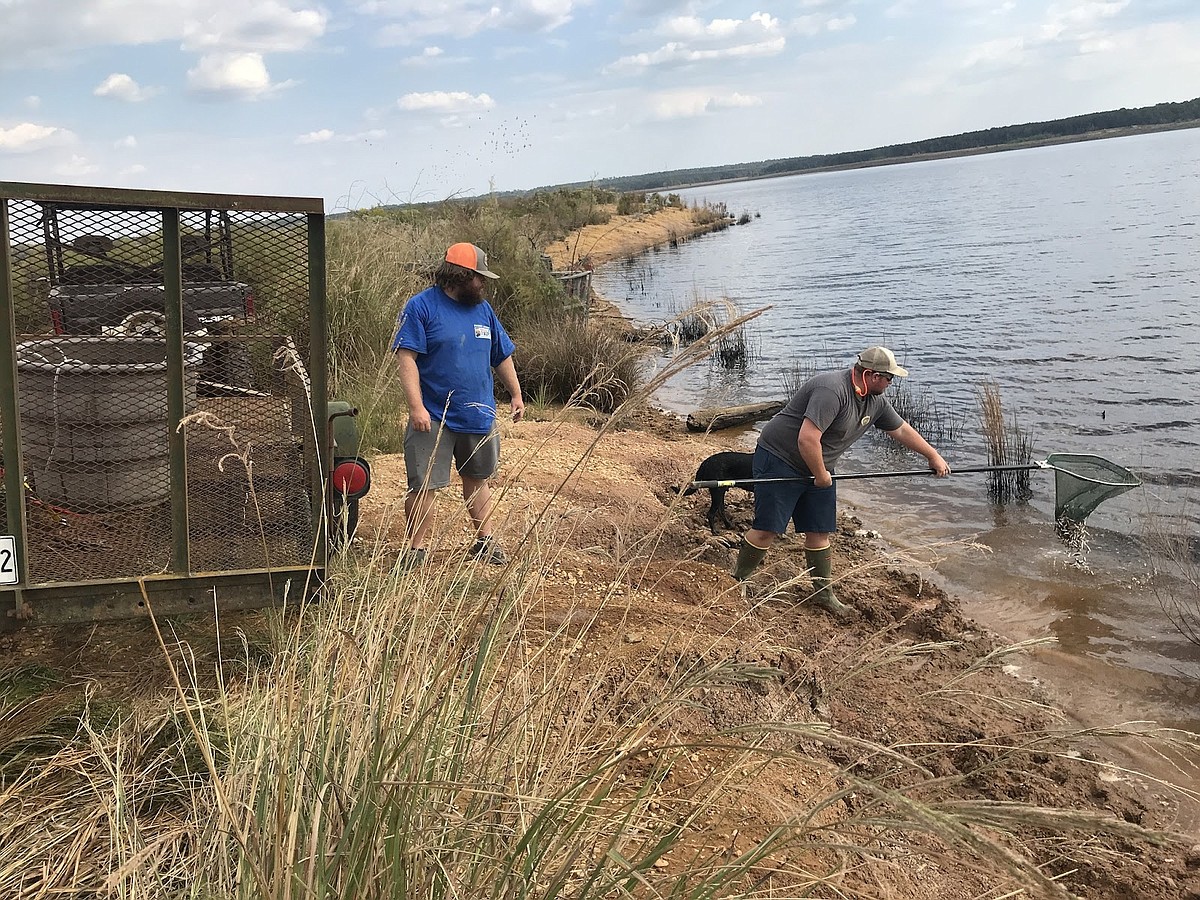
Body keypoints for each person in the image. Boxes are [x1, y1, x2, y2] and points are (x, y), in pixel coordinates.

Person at [730, 346, 950, 617]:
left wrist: (932, 455)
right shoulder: (831, 391)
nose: (891, 383)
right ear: (871, 375)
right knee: (768, 529)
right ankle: (736, 582)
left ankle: (823, 594)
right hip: (781, 458)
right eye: (889, 378)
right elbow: (807, 439)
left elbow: (901, 429)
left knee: (819, 531)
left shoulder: (876, 401)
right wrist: (821, 475)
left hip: (820, 464)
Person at [392, 242, 525, 566]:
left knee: (477, 479)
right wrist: (416, 407)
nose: (483, 284)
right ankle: (416, 550)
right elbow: (406, 358)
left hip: (478, 415)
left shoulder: (483, 310)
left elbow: (501, 355)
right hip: (433, 415)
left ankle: (485, 542)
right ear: (461, 275)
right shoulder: (421, 307)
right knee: (424, 485)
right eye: (479, 277)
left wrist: (516, 393)